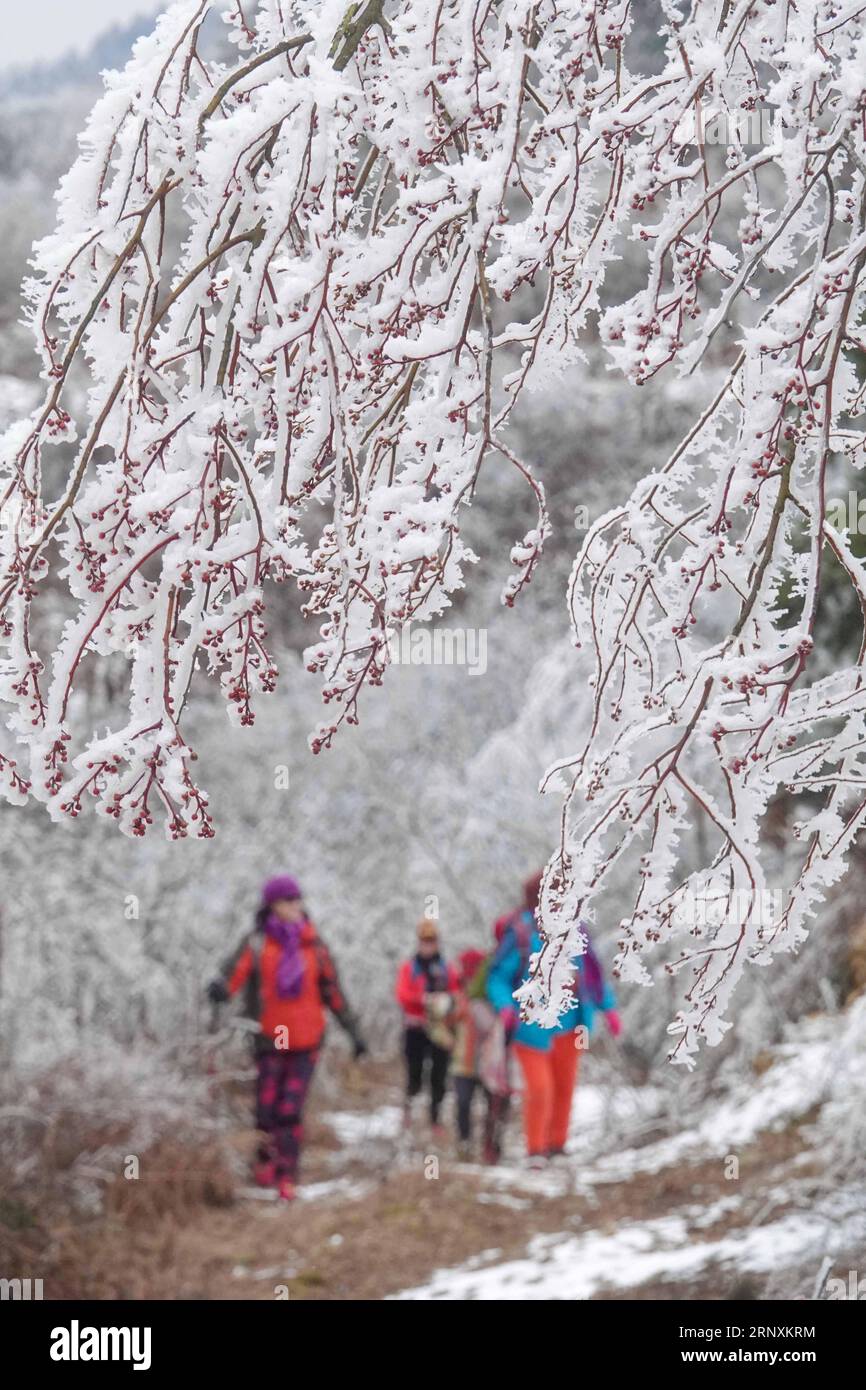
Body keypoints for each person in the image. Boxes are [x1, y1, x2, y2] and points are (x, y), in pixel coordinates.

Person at [207, 875, 366, 1201]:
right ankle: (264, 1164)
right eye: (289, 900)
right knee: (266, 1109)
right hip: (270, 1038)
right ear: (273, 906)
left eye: (298, 900)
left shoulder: (314, 946)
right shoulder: (256, 943)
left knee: (290, 1109)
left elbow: (333, 993)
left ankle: (287, 1176)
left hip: (306, 1041)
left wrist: (354, 1032)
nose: (297, 906)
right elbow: (233, 976)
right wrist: (222, 990)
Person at [487, 872, 621, 1165]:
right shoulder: (522, 933)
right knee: (539, 1088)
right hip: (530, 1026)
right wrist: (505, 1006)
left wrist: (607, 1007)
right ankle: (535, 1149)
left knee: (564, 1086)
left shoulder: (577, 930)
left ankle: (557, 1146)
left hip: (572, 1023)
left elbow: (593, 974)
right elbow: (497, 977)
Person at [395, 918, 459, 1135]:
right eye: (424, 941)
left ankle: (435, 1118)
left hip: (440, 1028)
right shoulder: (409, 968)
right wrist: (423, 1000)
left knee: (439, 1075)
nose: (428, 945)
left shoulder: (446, 968)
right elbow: (402, 994)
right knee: (414, 1071)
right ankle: (409, 1110)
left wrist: (445, 1002)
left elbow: (456, 993)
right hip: (416, 1027)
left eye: (431, 941)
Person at [450, 948, 510, 1164]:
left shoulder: (491, 1002)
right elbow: (443, 1024)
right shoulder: (457, 999)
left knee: (493, 1105)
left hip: (488, 1064)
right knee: (464, 1104)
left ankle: (492, 1149)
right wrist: (450, 1042)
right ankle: (465, 1145)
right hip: (464, 1063)